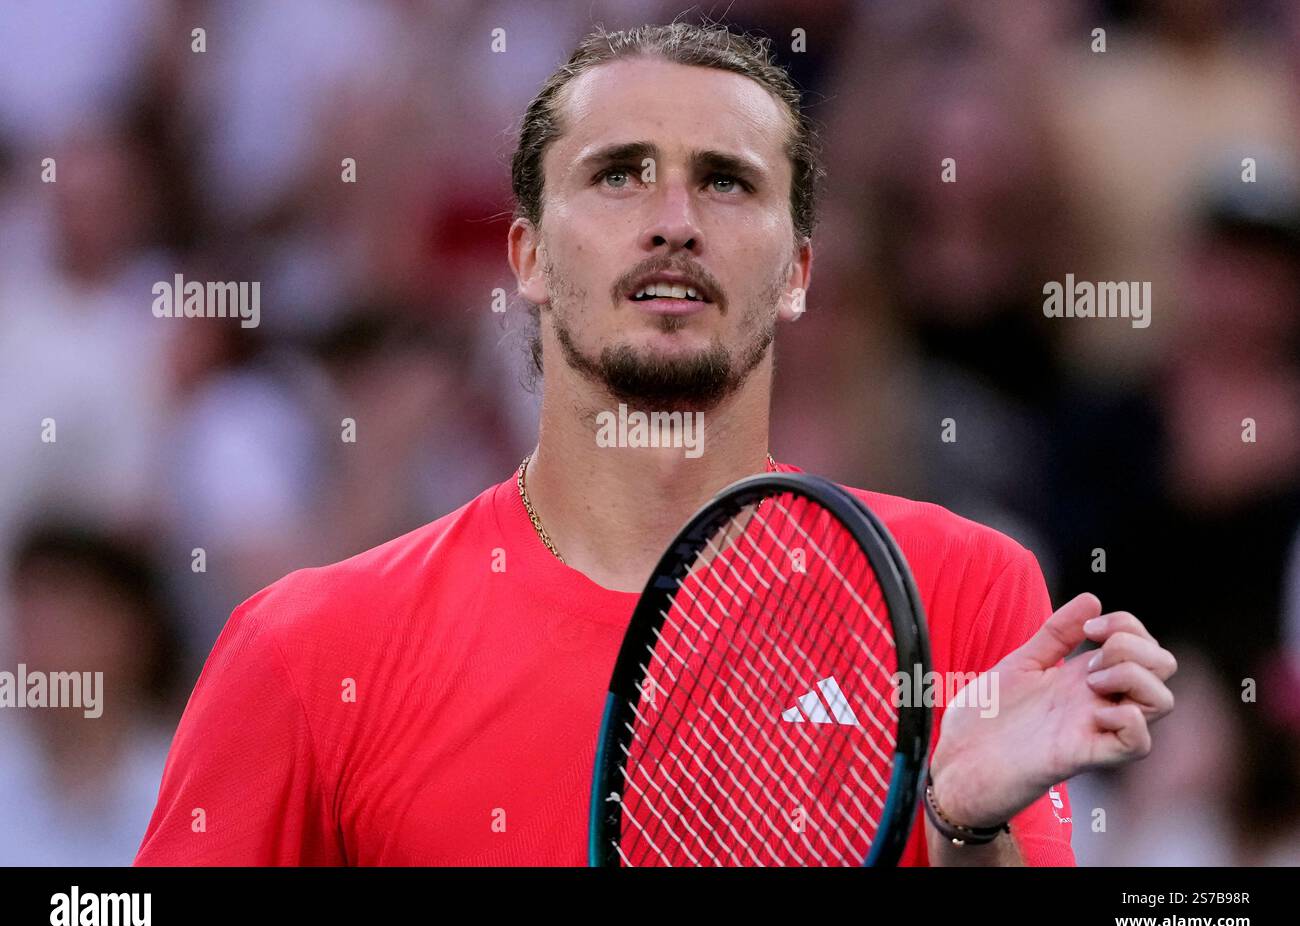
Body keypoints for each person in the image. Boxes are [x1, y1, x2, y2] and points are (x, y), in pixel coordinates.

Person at [135, 23, 1175, 867]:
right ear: (529, 256)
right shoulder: (309, 647)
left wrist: (964, 829)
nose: (674, 219)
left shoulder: (957, 589)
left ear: (800, 269)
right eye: (619, 176)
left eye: (727, 180)